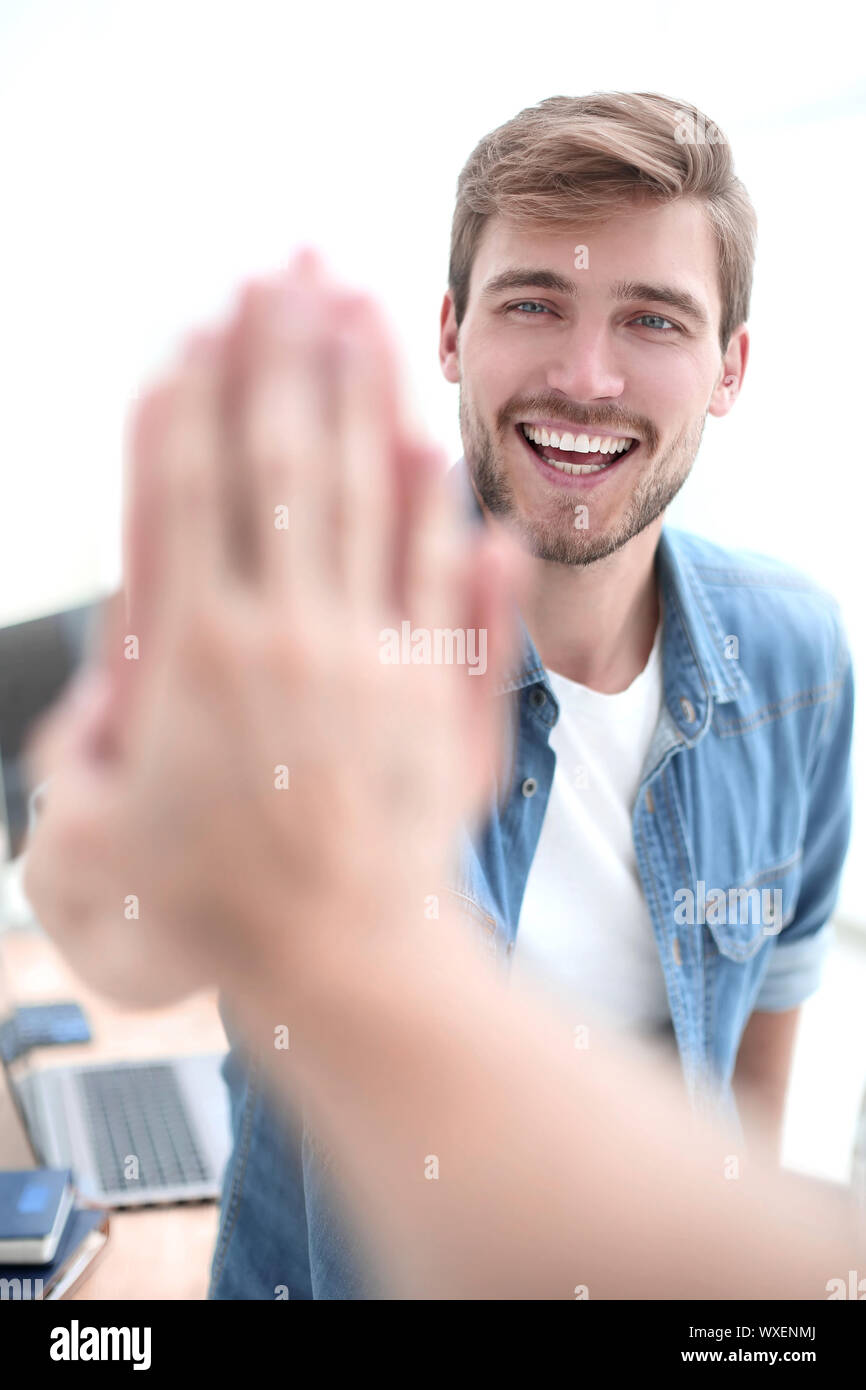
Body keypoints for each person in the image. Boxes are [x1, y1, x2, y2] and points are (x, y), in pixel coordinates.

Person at [23, 91, 855, 1301]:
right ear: (451, 330)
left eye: (652, 318)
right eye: (533, 303)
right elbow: (95, 881)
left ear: (728, 367)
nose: (585, 375)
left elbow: (751, 1076)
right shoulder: (314, 632)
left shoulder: (797, 659)